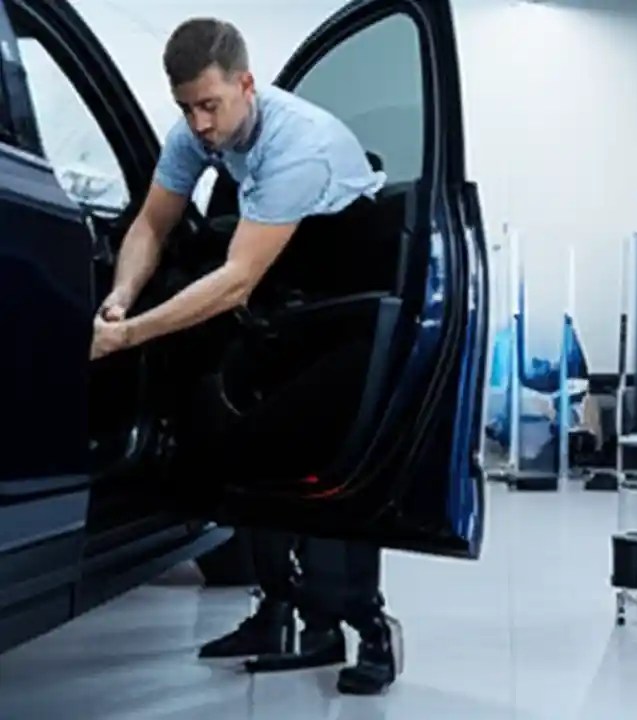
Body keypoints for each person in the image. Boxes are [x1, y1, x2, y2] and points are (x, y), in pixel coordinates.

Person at [89, 17, 400, 695]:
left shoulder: (298, 147)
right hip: (283, 299)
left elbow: (235, 280)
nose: (199, 125)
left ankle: (369, 629)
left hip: (346, 300)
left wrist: (128, 336)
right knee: (243, 447)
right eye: (187, 109)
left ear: (247, 85)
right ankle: (278, 613)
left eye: (210, 105)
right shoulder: (195, 131)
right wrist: (120, 295)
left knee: (328, 465)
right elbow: (152, 223)